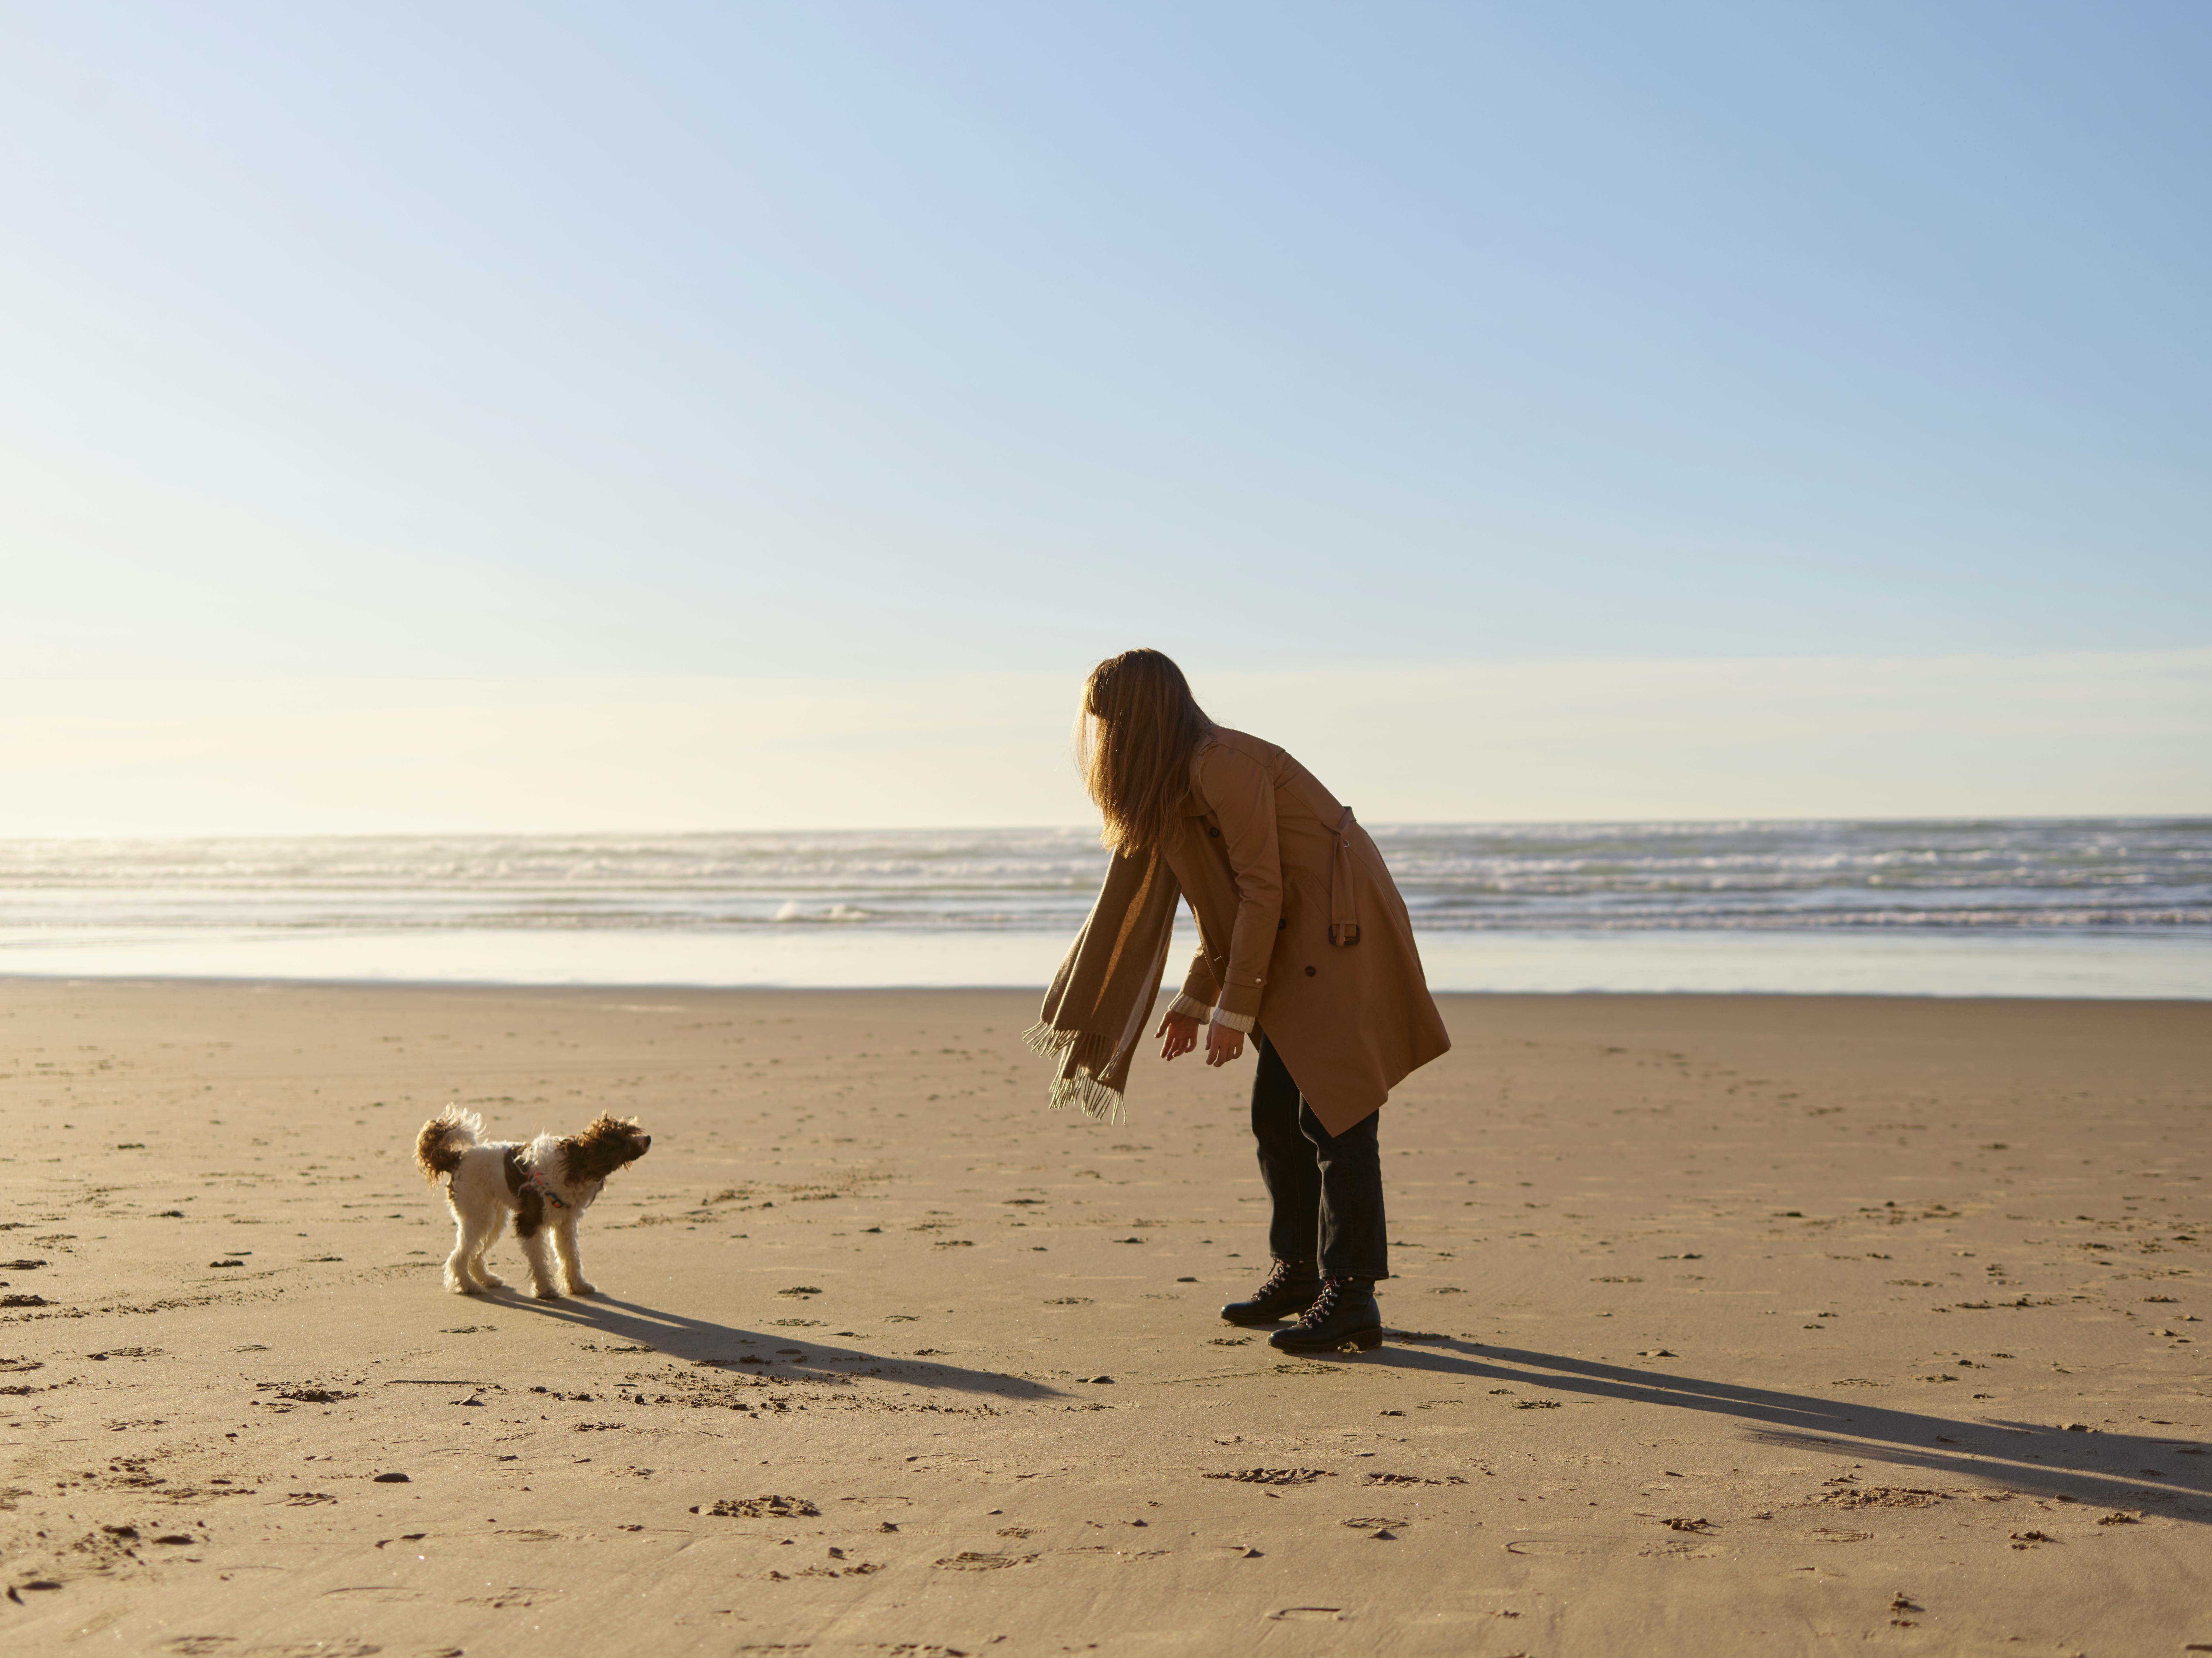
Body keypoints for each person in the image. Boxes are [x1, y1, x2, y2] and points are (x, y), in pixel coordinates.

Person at [1024, 649, 1450, 1353]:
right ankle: (1301, 1274)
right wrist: (1198, 998)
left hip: (1337, 931)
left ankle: (1353, 1294)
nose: (1105, 741)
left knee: (1338, 1115)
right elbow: (1218, 901)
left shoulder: (1222, 764)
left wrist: (1234, 1008)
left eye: (1113, 723)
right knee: (1279, 1119)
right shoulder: (1175, 784)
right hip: (1289, 937)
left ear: (1143, 718)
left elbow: (1261, 888)